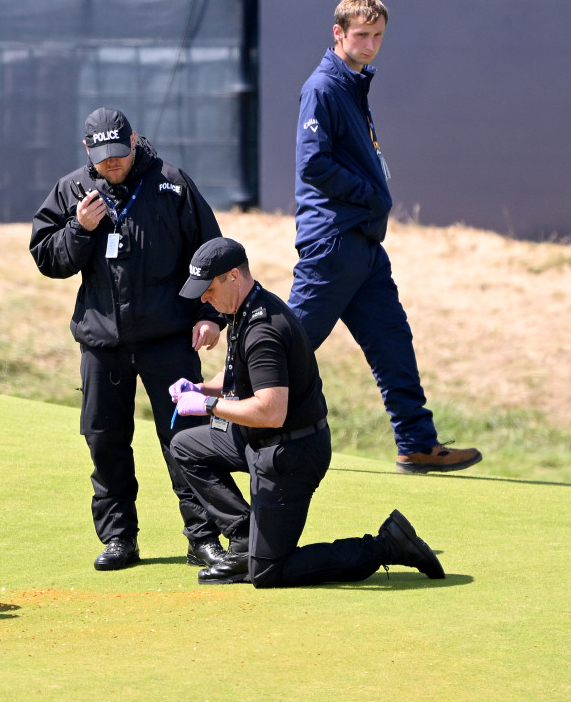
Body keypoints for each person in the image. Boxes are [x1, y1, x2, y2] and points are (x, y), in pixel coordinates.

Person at [170, 237, 447, 587]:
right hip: (261, 441)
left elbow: (271, 411)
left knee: (268, 573)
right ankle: (245, 540)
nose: (203, 299)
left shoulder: (263, 329)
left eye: (207, 289)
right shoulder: (246, 307)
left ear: (232, 277)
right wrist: (201, 388)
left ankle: (387, 546)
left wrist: (208, 405)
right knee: (186, 447)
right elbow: (243, 374)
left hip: (290, 453)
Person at [30, 107, 234, 572]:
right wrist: (78, 230)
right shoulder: (71, 191)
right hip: (102, 344)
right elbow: (46, 257)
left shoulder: (172, 182)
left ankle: (203, 538)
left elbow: (210, 252)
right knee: (106, 442)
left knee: (188, 439)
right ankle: (120, 539)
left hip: (168, 339)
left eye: (120, 152)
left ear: (134, 139)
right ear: (88, 151)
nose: (113, 163)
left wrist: (210, 316)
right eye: (103, 157)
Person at [291, 0, 480, 474]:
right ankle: (225, 417)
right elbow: (312, 164)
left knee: (393, 341)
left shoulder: (353, 82)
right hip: (333, 241)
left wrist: (372, 202)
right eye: (361, 35)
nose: (371, 44)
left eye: (377, 35)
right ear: (339, 34)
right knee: (287, 341)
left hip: (363, 244)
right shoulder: (324, 86)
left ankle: (417, 443)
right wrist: (370, 195)